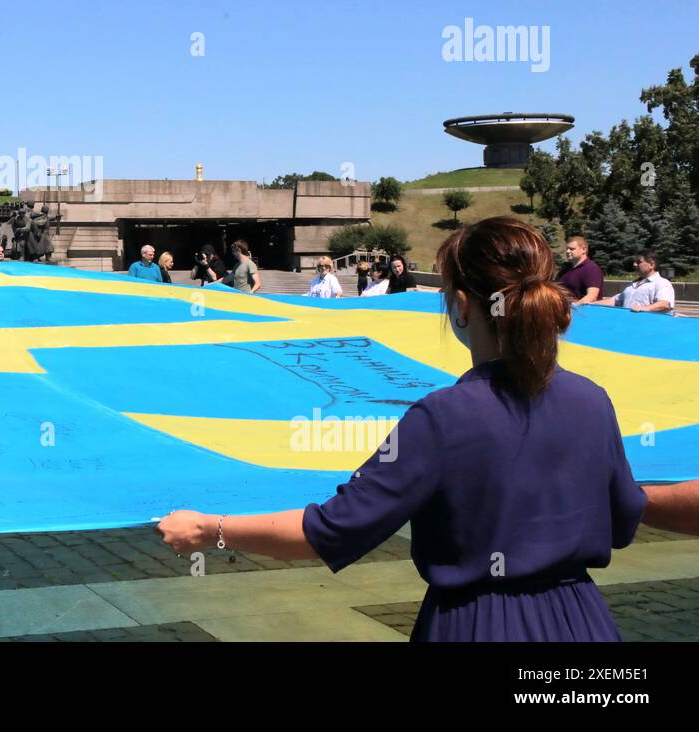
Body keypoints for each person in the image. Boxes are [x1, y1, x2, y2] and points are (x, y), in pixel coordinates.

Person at [158, 217, 646, 642]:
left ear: (460, 305)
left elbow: (334, 530)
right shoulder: (592, 401)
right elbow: (623, 521)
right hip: (584, 621)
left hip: (475, 625)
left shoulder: (444, 416)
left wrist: (208, 529)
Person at [594, 252, 675, 315]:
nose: (634, 264)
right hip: (630, 327)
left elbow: (664, 304)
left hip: (649, 329)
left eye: (639, 262)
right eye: (635, 262)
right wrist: (591, 304)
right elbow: (615, 301)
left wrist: (644, 308)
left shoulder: (662, 283)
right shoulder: (631, 285)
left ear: (651, 264)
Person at [557, 236, 604, 305]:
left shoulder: (591, 269)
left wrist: (574, 308)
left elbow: (592, 296)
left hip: (581, 313)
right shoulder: (565, 268)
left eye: (572, 249)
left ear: (583, 249)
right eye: (567, 249)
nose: (567, 251)